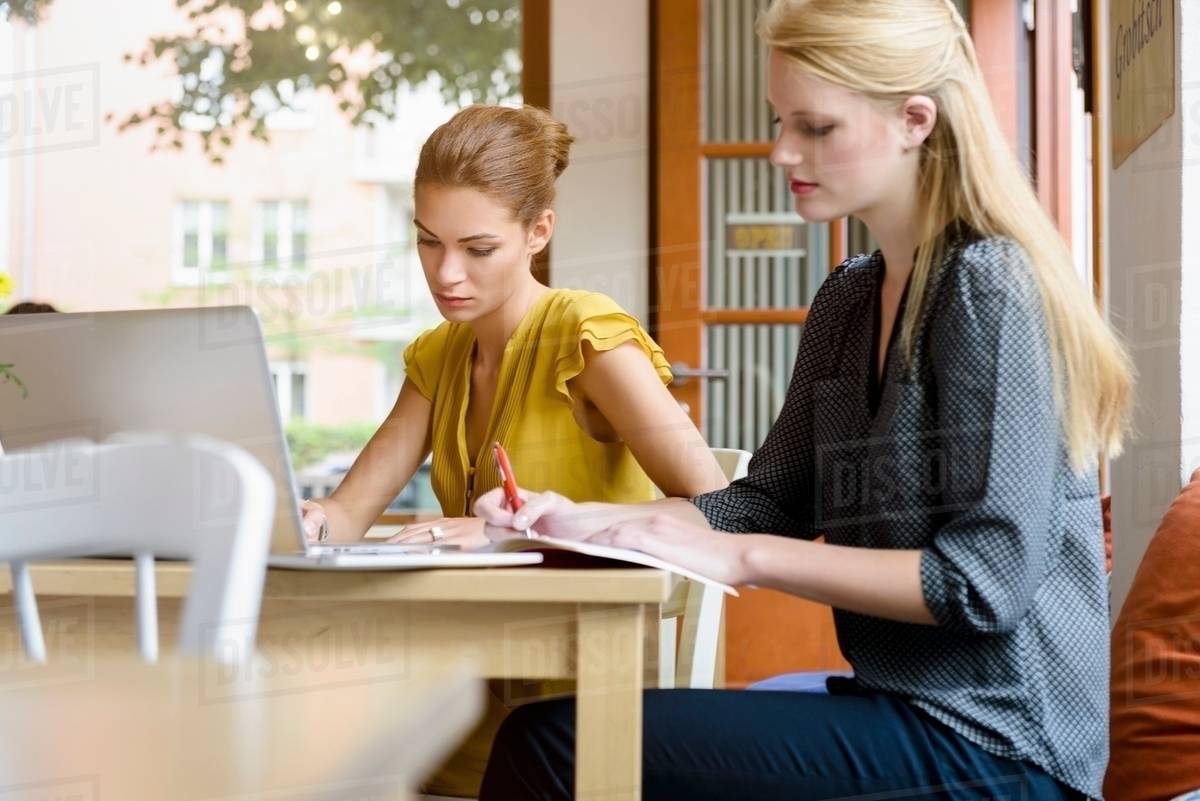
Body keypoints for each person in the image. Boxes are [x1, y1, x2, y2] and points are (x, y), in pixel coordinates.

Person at [473, 1, 1134, 799]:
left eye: (816, 127)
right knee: (565, 737)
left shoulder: (987, 287)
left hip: (1004, 744)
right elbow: (766, 503)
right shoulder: (850, 297)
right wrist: (587, 523)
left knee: (557, 747)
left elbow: (984, 582)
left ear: (913, 121)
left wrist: (743, 559)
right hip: (908, 709)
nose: (782, 149)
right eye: (781, 120)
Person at [300, 103, 727, 797]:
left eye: (477, 248)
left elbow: (716, 504)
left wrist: (513, 532)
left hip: (581, 706)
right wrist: (307, 518)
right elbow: (348, 513)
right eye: (428, 242)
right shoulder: (438, 357)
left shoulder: (587, 337)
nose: (446, 273)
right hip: (454, 693)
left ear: (538, 232)